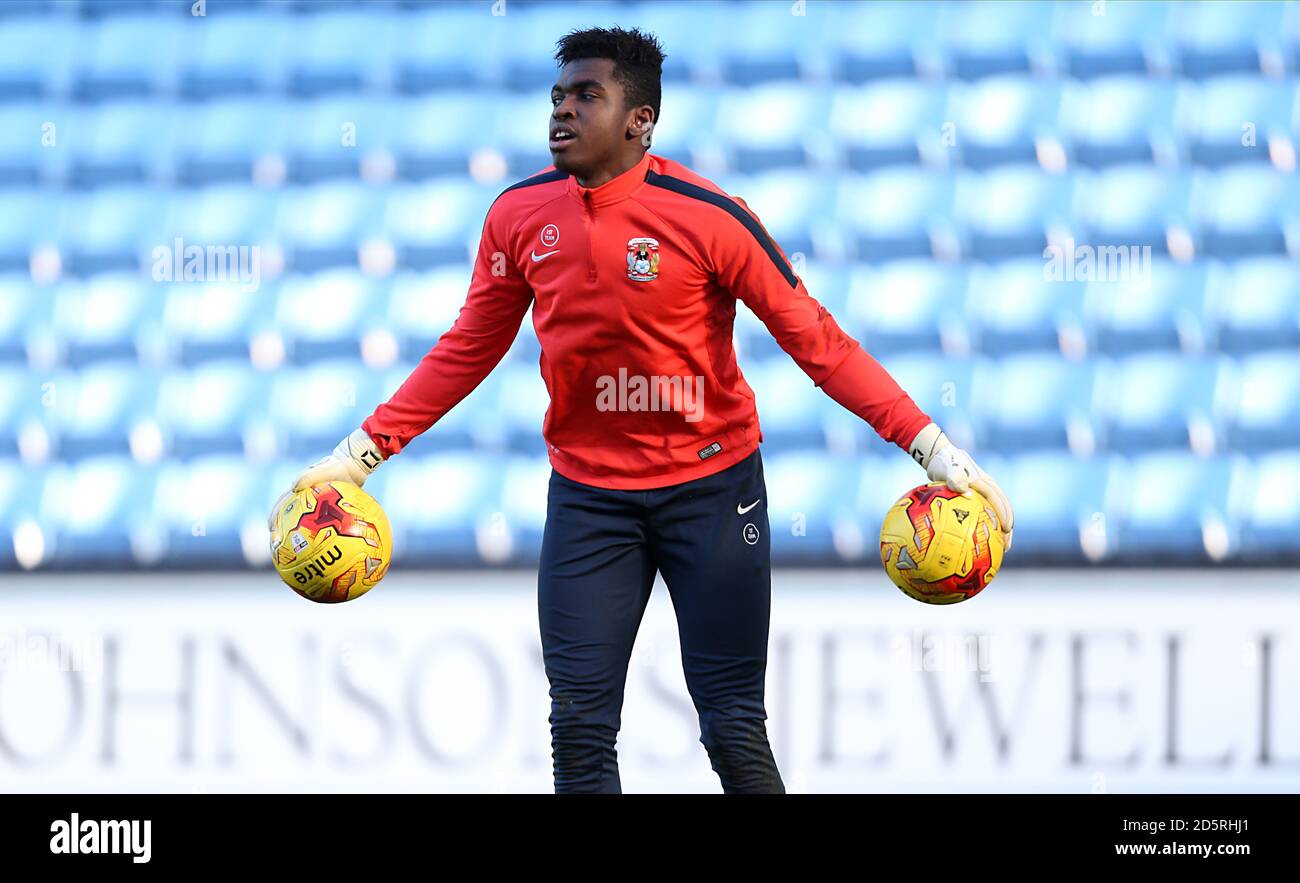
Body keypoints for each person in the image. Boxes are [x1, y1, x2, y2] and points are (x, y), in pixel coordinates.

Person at [272, 26, 1013, 793]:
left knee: (731, 725)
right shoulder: (518, 216)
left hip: (715, 492)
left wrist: (935, 451)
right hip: (590, 501)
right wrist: (358, 454)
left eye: (587, 95)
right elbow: (469, 347)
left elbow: (818, 342)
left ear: (641, 121)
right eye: (557, 96)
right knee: (580, 732)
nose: (561, 111)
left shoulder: (711, 216)